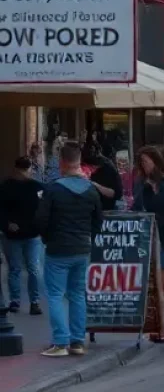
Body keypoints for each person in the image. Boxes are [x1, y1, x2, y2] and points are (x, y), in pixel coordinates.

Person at [36, 142, 103, 357]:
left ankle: (60, 343)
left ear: (62, 162)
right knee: (77, 295)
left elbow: (41, 220)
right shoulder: (91, 190)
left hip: (58, 248)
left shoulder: (53, 189)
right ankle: (78, 342)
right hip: (82, 248)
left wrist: (47, 238)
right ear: (79, 161)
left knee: (55, 295)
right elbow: (98, 222)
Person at [133, 147, 164, 341]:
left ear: (155, 161)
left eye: (146, 162)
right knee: (155, 285)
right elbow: (136, 207)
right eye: (141, 163)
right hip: (149, 237)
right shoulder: (141, 185)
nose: (144, 166)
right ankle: (160, 326)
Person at [0, 155, 45, 315]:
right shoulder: (37, 187)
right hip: (31, 234)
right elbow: (43, 209)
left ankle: (15, 301)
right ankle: (34, 302)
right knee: (32, 268)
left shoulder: (5, 186)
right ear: (30, 169)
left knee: (15, 269)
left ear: (15, 168)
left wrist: (6, 224)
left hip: (14, 234)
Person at [82, 146, 123, 212]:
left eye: (92, 168)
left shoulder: (108, 168)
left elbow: (117, 194)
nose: (89, 171)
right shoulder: (82, 169)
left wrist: (96, 185)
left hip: (106, 209)